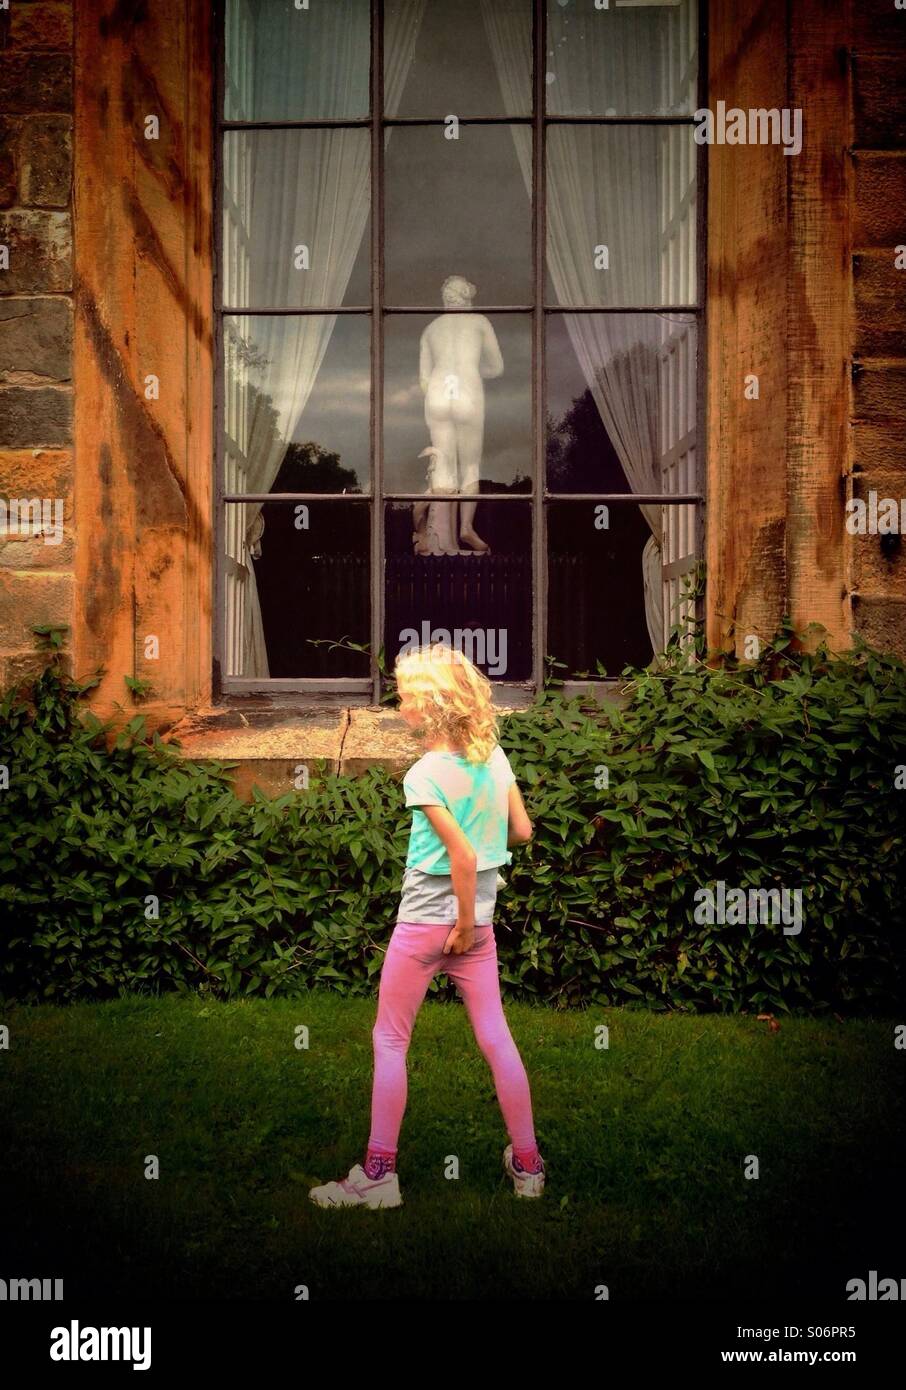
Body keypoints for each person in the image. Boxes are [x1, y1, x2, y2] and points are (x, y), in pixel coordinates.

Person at [309, 642, 546, 1209]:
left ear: (431, 706)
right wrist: (471, 922)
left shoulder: (424, 774)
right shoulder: (496, 759)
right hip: (479, 926)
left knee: (390, 1040)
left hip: (427, 926)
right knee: (496, 1037)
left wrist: (460, 925)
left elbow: (461, 857)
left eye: (407, 695)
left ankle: (377, 1176)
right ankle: (529, 1166)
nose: (400, 705)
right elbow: (522, 831)